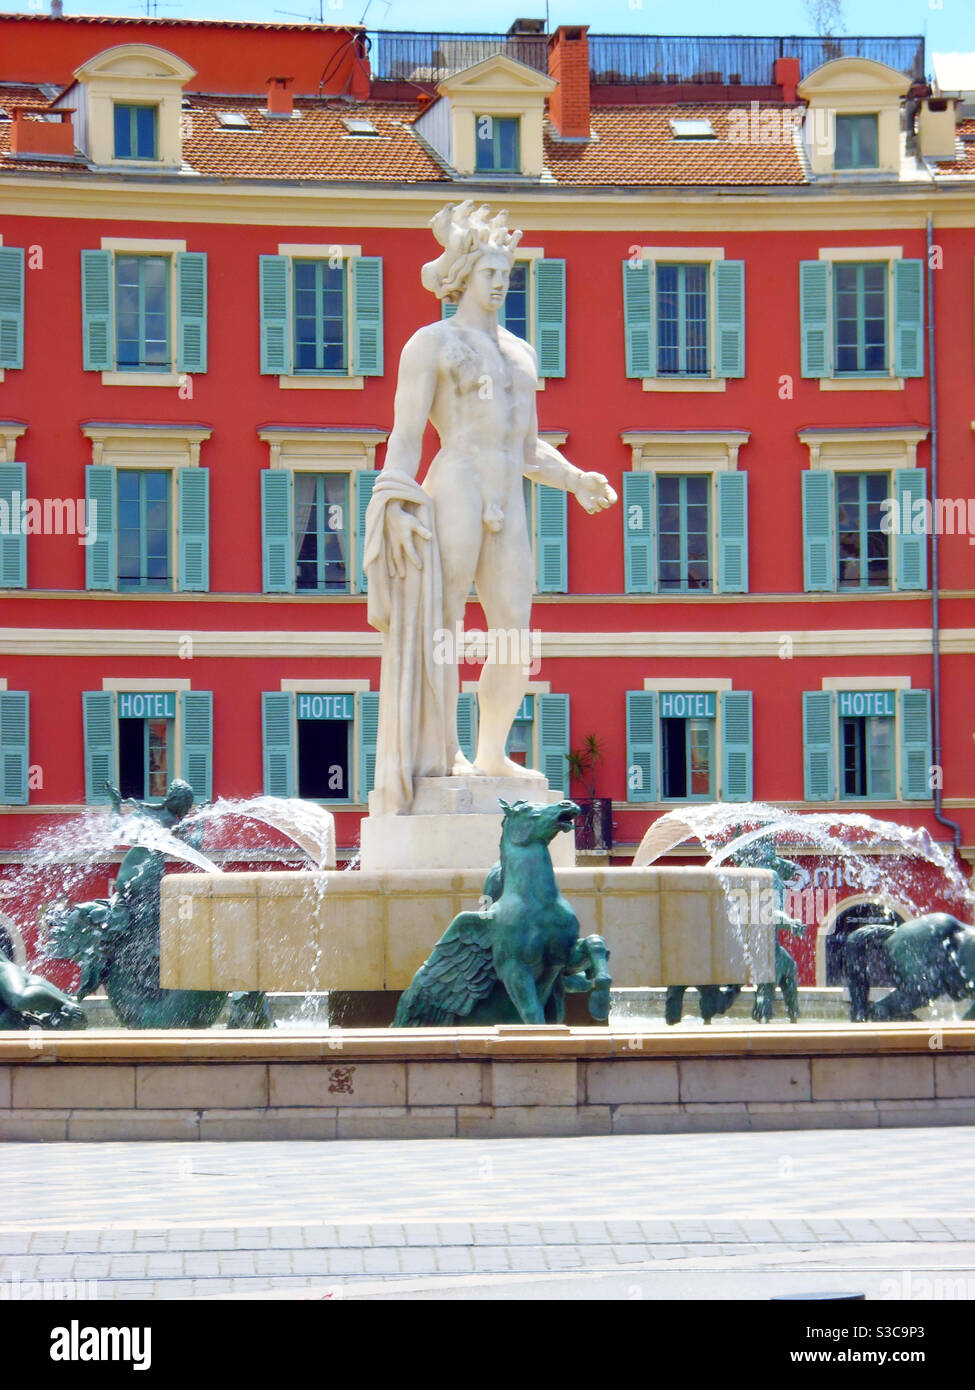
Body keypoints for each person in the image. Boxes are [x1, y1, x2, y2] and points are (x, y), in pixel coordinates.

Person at [363, 201, 616, 813]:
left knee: (513, 634)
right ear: (463, 275)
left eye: (508, 273)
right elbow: (405, 435)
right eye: (490, 273)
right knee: (444, 625)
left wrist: (576, 478)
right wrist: (395, 498)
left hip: (508, 494)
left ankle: (492, 750)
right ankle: (444, 751)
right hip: (458, 481)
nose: (501, 283)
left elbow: (526, 447)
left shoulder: (522, 355)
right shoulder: (432, 344)